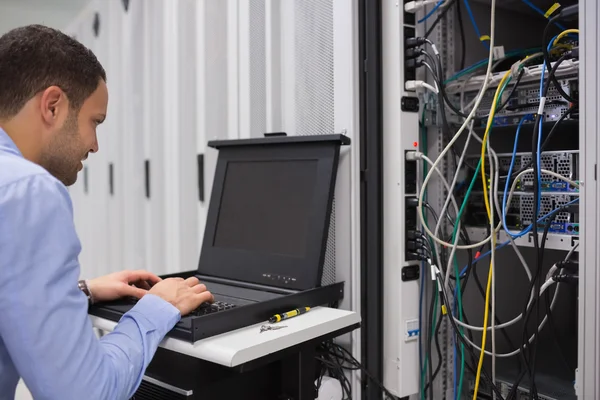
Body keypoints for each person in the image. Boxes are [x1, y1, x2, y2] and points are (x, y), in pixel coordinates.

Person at [0, 25, 213, 399]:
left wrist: (81, 292)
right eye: (94, 123)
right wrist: (158, 309)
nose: (95, 146)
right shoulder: (29, 192)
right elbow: (85, 393)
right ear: (53, 106)